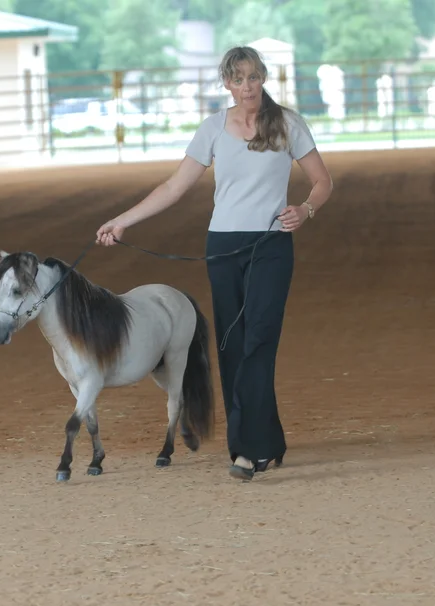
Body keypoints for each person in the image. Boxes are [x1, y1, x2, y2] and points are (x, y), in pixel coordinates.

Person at [95, 46, 334, 481]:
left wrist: (306, 209)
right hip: (223, 247)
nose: (247, 87)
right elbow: (174, 187)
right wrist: (122, 221)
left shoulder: (288, 123)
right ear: (227, 83)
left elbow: (322, 180)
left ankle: (249, 450)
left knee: (260, 339)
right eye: (238, 79)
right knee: (232, 344)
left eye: (254, 78)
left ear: (264, 78)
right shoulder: (212, 129)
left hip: (272, 245)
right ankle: (269, 441)